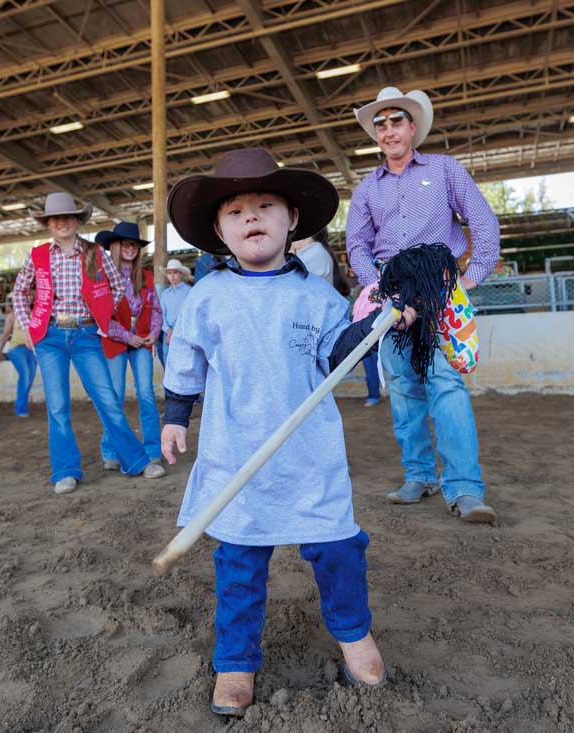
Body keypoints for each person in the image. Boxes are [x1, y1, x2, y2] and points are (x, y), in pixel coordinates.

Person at [162, 147, 413, 716]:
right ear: (219, 231)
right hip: (235, 453)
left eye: (266, 205)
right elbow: (185, 363)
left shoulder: (318, 297)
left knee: (338, 549)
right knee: (240, 563)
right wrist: (176, 419)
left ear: (292, 219)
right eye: (236, 211)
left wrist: (379, 321)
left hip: (309, 455)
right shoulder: (207, 296)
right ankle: (235, 661)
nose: (251, 216)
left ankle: (356, 638)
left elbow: (339, 356)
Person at [346, 87, 499, 523]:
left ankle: (466, 489)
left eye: (397, 121)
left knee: (445, 382)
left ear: (412, 127)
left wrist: (470, 279)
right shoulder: (366, 189)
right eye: (381, 124)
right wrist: (377, 285)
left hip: (439, 285)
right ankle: (419, 475)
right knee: (402, 383)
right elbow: (356, 243)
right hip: (392, 290)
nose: (389, 130)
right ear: (376, 134)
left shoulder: (445, 170)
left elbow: (483, 221)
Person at [10, 192, 166, 494]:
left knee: (107, 399)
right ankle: (65, 470)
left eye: (68, 217)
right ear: (48, 224)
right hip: (50, 335)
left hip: (86, 334)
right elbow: (19, 292)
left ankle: (135, 460)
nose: (63, 222)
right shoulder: (38, 254)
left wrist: (103, 314)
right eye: (56, 218)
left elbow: (117, 286)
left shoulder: (94, 253)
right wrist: (28, 326)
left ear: (77, 220)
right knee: (57, 405)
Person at [97, 221, 164, 467]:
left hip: (143, 342)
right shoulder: (103, 278)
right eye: (126, 243)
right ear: (115, 246)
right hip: (116, 342)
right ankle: (111, 451)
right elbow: (102, 317)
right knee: (114, 396)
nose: (131, 248)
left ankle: (152, 449)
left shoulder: (145, 275)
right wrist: (128, 336)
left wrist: (154, 333)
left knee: (146, 394)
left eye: (134, 244)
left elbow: (156, 308)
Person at [0, 305, 37, 418]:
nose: (28, 296)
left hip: (31, 350)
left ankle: (21, 405)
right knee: (26, 375)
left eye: (30, 294)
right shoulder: (13, 315)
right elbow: (5, 334)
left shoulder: (37, 313)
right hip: (16, 348)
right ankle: (21, 408)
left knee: (30, 377)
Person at [159, 258, 192, 367]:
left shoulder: (189, 291)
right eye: (169, 273)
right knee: (167, 361)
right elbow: (162, 315)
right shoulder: (165, 294)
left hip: (184, 331)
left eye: (175, 273)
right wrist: (168, 330)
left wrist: (176, 330)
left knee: (184, 361)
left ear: (181, 274)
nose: (172, 276)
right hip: (167, 333)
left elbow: (189, 313)